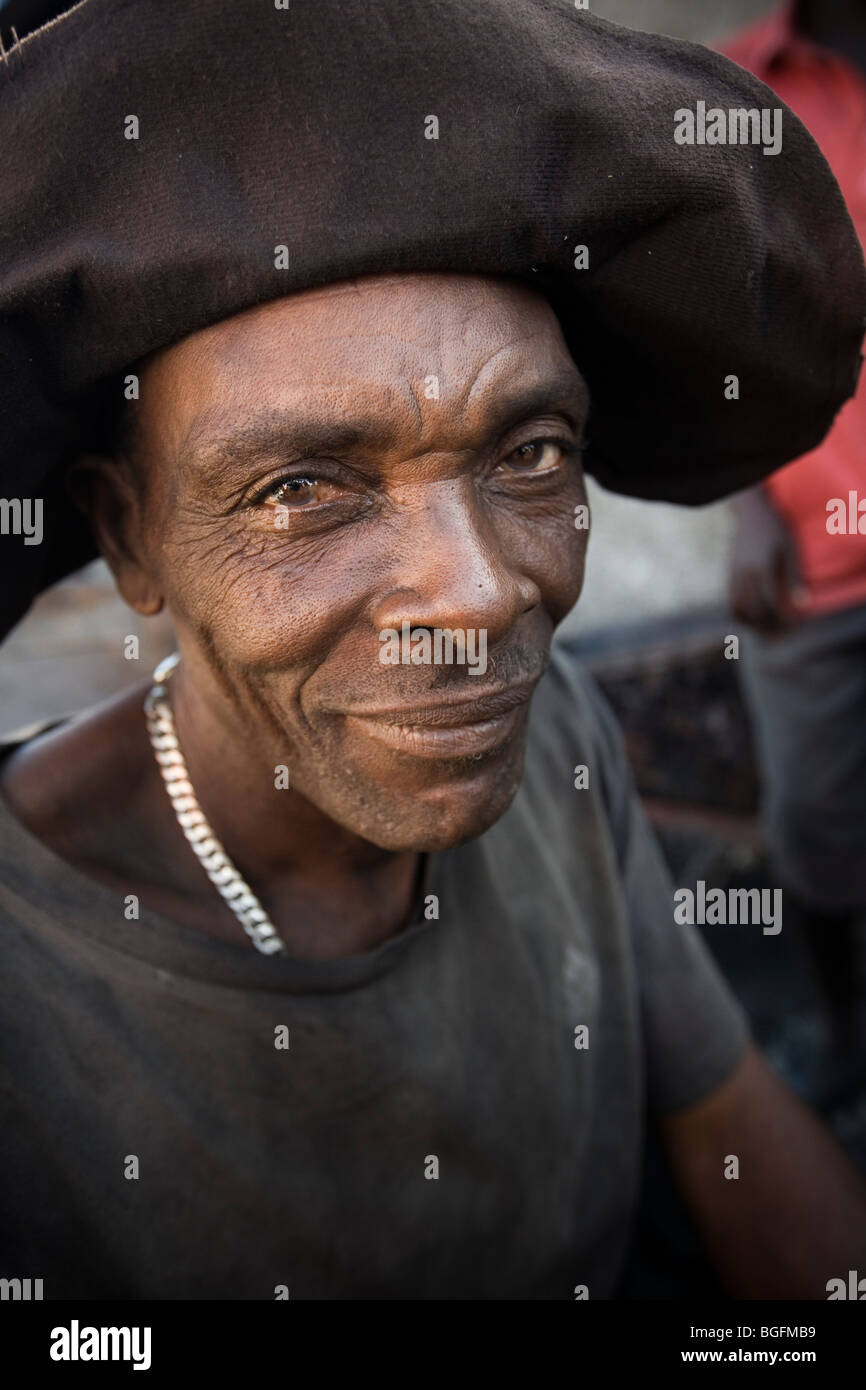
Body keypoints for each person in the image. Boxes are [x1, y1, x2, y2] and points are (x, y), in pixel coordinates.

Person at [1, 0, 865, 1301]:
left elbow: (731, 1124)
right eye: (302, 488)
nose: (475, 595)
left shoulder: (560, 736)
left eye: (529, 454)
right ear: (130, 536)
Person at [723, 0, 866, 1048]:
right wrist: (742, 505)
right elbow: (714, 324)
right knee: (816, 827)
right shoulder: (734, 98)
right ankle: (838, 1035)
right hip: (817, 552)